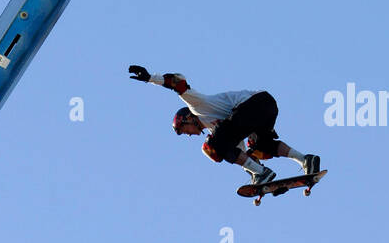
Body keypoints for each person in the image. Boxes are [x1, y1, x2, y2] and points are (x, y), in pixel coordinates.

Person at [128, 66, 320, 189]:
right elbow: (242, 153)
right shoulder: (223, 131)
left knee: (211, 148)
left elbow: (178, 83)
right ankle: (305, 160)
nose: (186, 135)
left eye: (182, 129)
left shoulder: (197, 106)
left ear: (187, 118)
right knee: (261, 146)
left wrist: (149, 78)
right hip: (266, 105)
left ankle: (262, 173)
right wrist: (258, 177)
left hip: (252, 105)